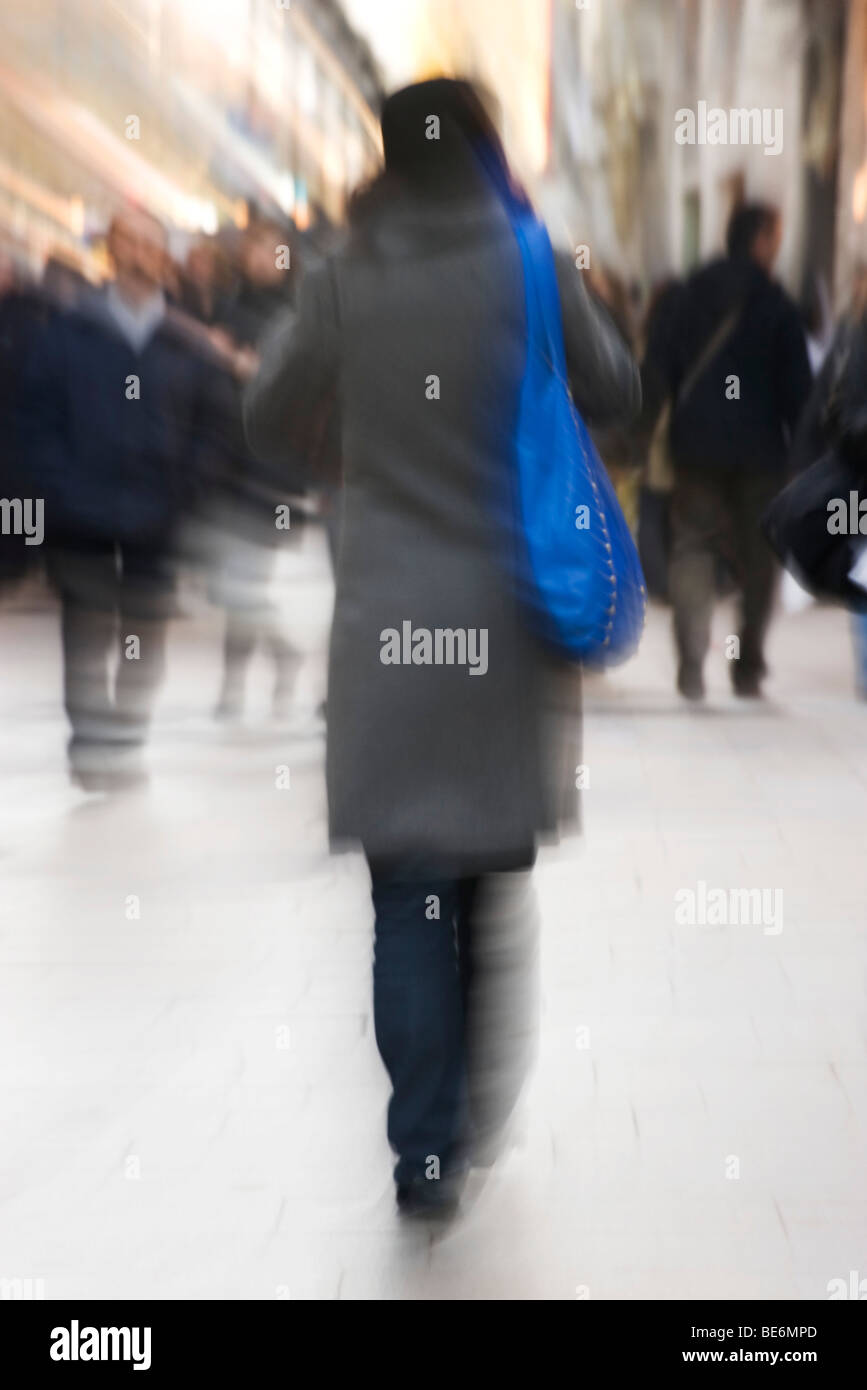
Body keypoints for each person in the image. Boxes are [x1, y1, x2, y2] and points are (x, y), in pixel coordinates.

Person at [244, 79, 639, 1218]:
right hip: (507, 620)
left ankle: (420, 1145)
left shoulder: (340, 274)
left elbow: (267, 414)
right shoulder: (530, 258)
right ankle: (468, 1117)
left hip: (385, 622)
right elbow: (616, 386)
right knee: (485, 895)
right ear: (482, 148)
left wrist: (350, 450)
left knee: (407, 891)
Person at [18, 205, 228, 788]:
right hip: (80, 512)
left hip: (156, 514)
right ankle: (91, 743)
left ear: (165, 257)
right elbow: (36, 416)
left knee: (143, 637)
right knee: (85, 632)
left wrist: (189, 490)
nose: (139, 252)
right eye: (128, 241)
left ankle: (124, 737)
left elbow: (215, 428)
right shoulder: (70, 331)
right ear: (111, 251)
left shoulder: (187, 344)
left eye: (150, 243)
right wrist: (55, 485)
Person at [639, 202, 812, 700]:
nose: (778, 248)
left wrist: (644, 427)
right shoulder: (775, 303)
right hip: (760, 455)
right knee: (761, 559)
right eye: (775, 238)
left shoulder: (689, 294)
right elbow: (798, 389)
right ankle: (748, 663)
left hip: (695, 447)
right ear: (759, 239)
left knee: (692, 545)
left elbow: (658, 367)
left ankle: (693, 665)